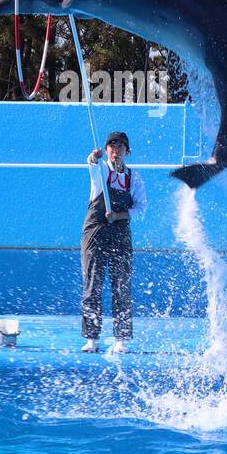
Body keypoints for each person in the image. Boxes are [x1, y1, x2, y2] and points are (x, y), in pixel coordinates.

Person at [81, 131, 147, 352]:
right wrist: (94, 158)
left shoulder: (134, 178)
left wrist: (119, 216)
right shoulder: (100, 170)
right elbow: (91, 164)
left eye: (119, 146)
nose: (115, 150)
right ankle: (91, 338)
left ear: (127, 151)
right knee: (93, 285)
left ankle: (121, 339)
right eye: (111, 146)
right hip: (95, 232)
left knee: (121, 286)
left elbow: (140, 208)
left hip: (119, 233)